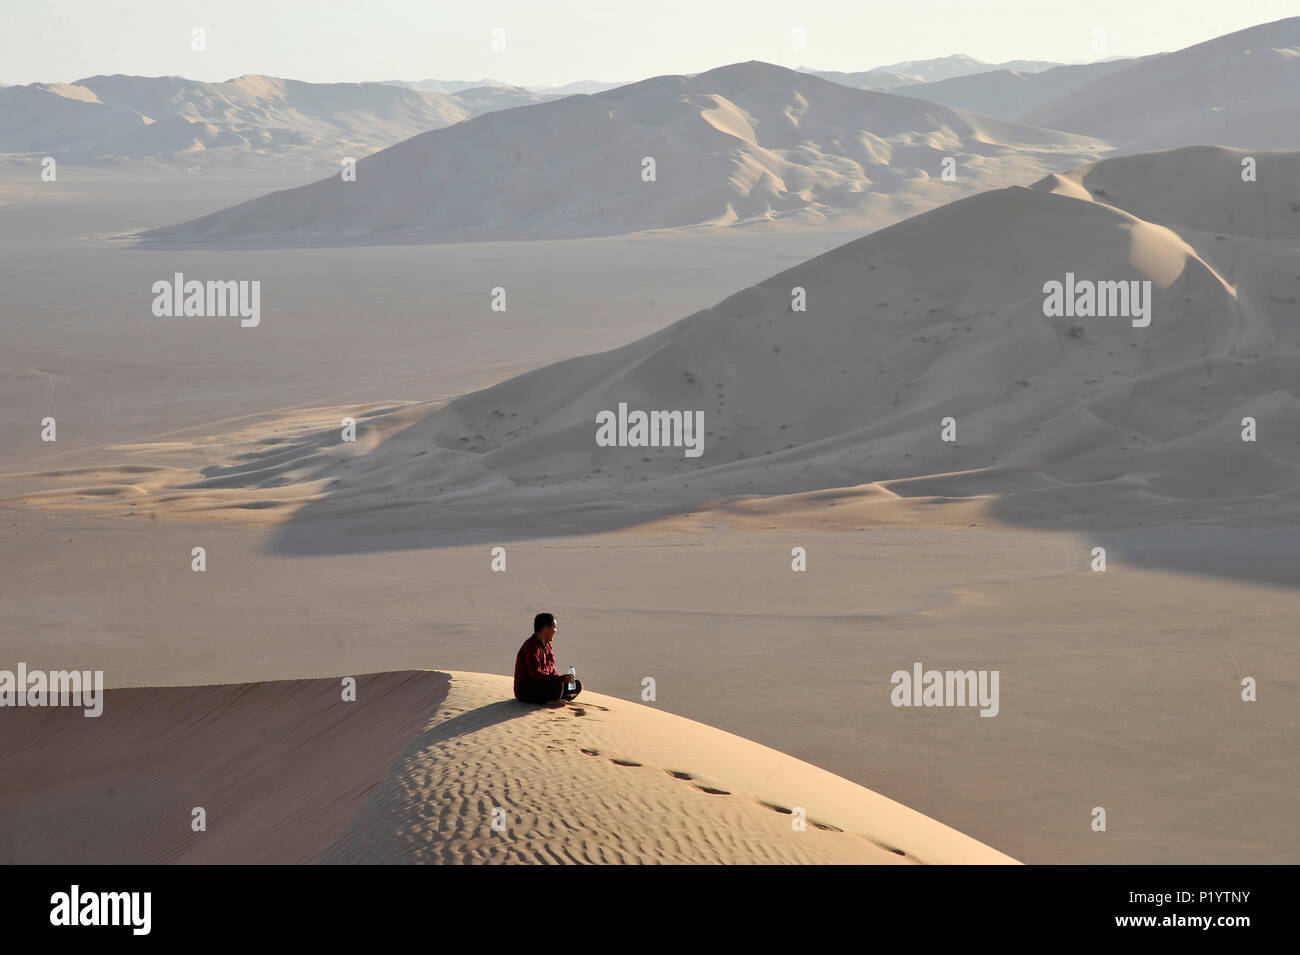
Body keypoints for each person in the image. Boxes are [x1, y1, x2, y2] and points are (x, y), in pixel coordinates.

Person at [514, 612, 582, 704]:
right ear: (545, 629)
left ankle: (555, 699)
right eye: (554, 627)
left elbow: (551, 669)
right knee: (557, 685)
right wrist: (560, 679)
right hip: (527, 690)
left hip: (543, 686)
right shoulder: (530, 646)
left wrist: (564, 679)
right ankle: (550, 701)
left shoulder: (548, 645)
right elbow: (536, 675)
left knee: (576, 685)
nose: (556, 630)